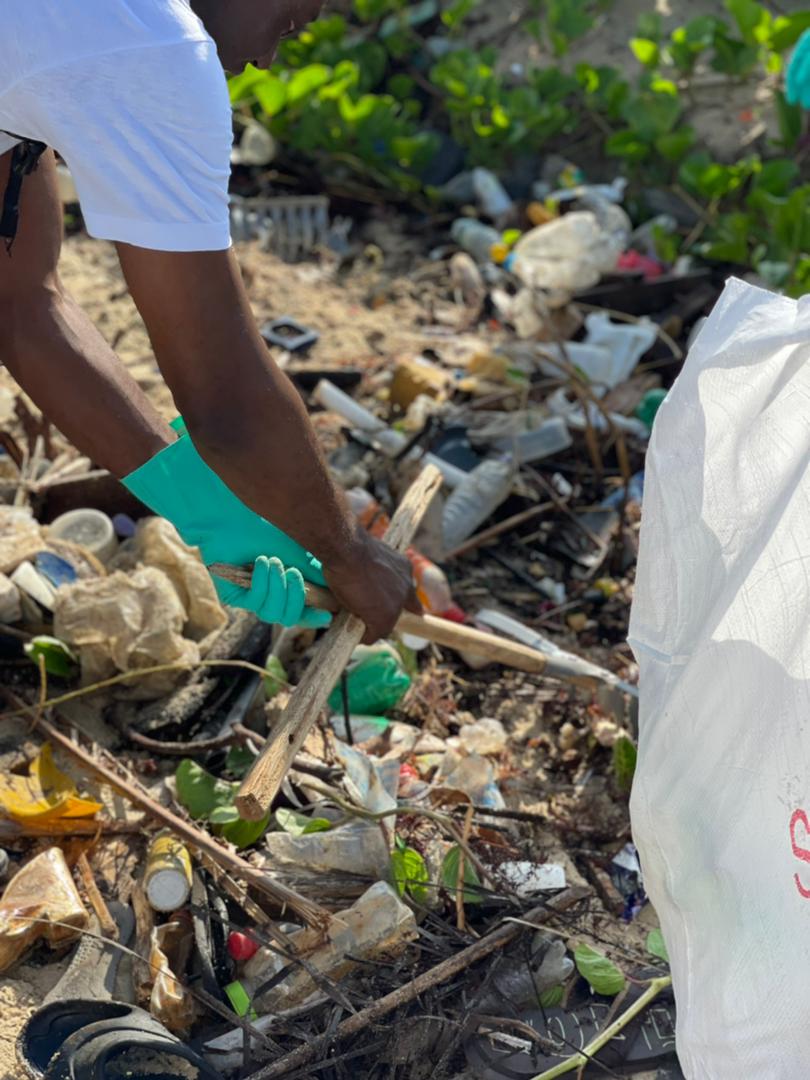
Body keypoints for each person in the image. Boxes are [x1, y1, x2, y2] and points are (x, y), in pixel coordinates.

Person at [0, 0, 420, 642]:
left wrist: (201, 504)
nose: (267, 59)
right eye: (294, 20)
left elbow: (23, 302)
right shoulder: (151, 43)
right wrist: (349, 553)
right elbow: (227, 404)